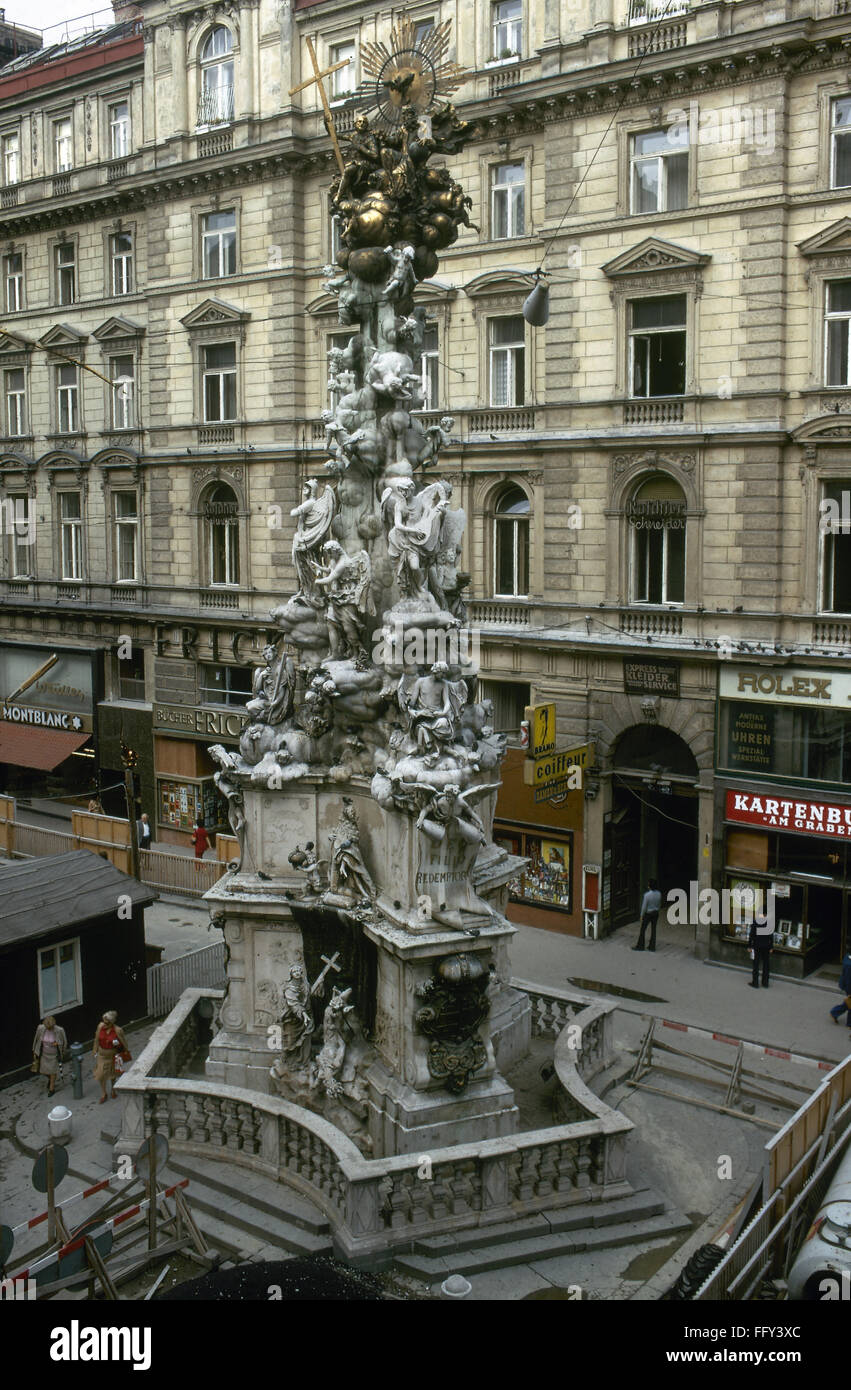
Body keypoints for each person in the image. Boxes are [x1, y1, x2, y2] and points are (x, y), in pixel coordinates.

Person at [92, 1010, 129, 1103]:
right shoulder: (100, 1027)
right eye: (104, 1021)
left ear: (112, 1022)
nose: (105, 1024)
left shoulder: (118, 1030)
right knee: (100, 1074)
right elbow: (96, 1039)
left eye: (107, 1023)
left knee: (113, 1074)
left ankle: (113, 1089)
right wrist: (95, 1051)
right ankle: (104, 1093)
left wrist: (117, 1044)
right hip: (102, 1054)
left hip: (113, 1054)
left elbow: (124, 1044)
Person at [32, 1015, 68, 1097]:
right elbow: (36, 1039)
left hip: (54, 1055)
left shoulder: (60, 1030)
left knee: (52, 1072)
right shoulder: (40, 1028)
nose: (48, 1029)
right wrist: (34, 1051)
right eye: (47, 1027)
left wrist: (58, 1046)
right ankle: (50, 1079)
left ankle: (51, 1089)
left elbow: (64, 1042)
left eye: (50, 1027)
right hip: (44, 1054)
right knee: (42, 1071)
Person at [633, 878, 662, 952]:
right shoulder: (659, 893)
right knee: (653, 930)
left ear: (650, 885)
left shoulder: (647, 895)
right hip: (655, 913)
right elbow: (659, 904)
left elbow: (644, 906)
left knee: (643, 929)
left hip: (648, 913)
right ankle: (652, 946)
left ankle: (640, 945)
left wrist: (641, 915)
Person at [748, 916, 773, 989]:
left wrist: (749, 946)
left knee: (756, 964)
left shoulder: (755, 922)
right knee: (766, 965)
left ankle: (755, 982)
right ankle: (765, 983)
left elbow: (752, 935)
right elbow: (771, 936)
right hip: (766, 946)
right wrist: (771, 947)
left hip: (757, 946)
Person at [829, 949, 851, 1027]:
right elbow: (849, 980)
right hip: (849, 986)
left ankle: (834, 1012)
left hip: (847, 984)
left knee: (849, 1002)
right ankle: (849, 1023)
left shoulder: (847, 958)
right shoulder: (849, 965)